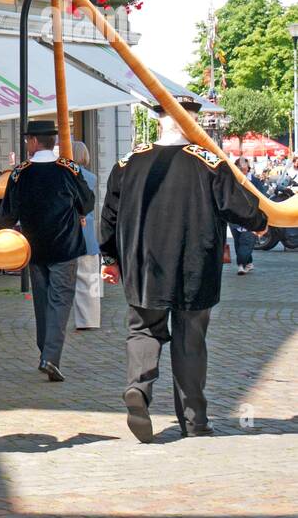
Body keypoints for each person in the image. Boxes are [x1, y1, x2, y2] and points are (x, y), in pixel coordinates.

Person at [98, 95, 267, 442]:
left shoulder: (128, 163)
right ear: (193, 122)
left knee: (144, 329)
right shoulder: (208, 162)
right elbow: (238, 205)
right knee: (191, 339)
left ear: (160, 119)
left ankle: (138, 389)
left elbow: (109, 217)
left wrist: (110, 259)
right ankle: (194, 419)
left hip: (142, 264)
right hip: (194, 264)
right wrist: (261, 222)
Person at [0, 121, 94, 381]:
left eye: (28, 140)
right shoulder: (69, 169)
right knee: (60, 301)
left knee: (42, 301)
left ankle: (45, 352)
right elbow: (87, 201)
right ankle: (50, 357)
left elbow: (7, 213)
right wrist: (78, 212)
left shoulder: (20, 173)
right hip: (65, 245)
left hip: (33, 248)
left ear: (34, 142)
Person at [70, 140, 103, 330]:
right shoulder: (91, 177)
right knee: (90, 279)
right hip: (88, 233)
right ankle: (90, 320)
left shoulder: (65, 176)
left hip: (69, 233)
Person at [230, 157, 265, 275]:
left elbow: (263, 197)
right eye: (239, 169)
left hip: (251, 216)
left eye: (244, 169)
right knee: (238, 241)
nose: (242, 172)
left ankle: (241, 264)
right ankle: (248, 263)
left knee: (247, 241)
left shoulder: (255, 182)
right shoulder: (232, 180)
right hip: (235, 217)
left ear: (248, 169)